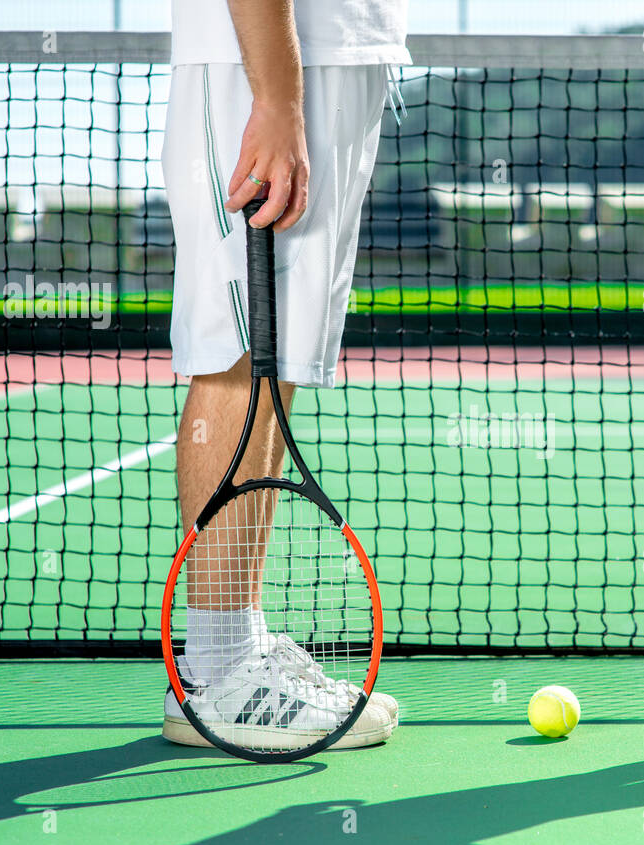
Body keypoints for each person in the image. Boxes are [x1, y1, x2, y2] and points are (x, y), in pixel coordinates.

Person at [159, 0, 407, 749]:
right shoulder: (269, 86)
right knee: (236, 352)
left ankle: (239, 647)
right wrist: (276, 94)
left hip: (332, 58)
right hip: (261, 64)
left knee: (279, 359)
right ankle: (215, 670)